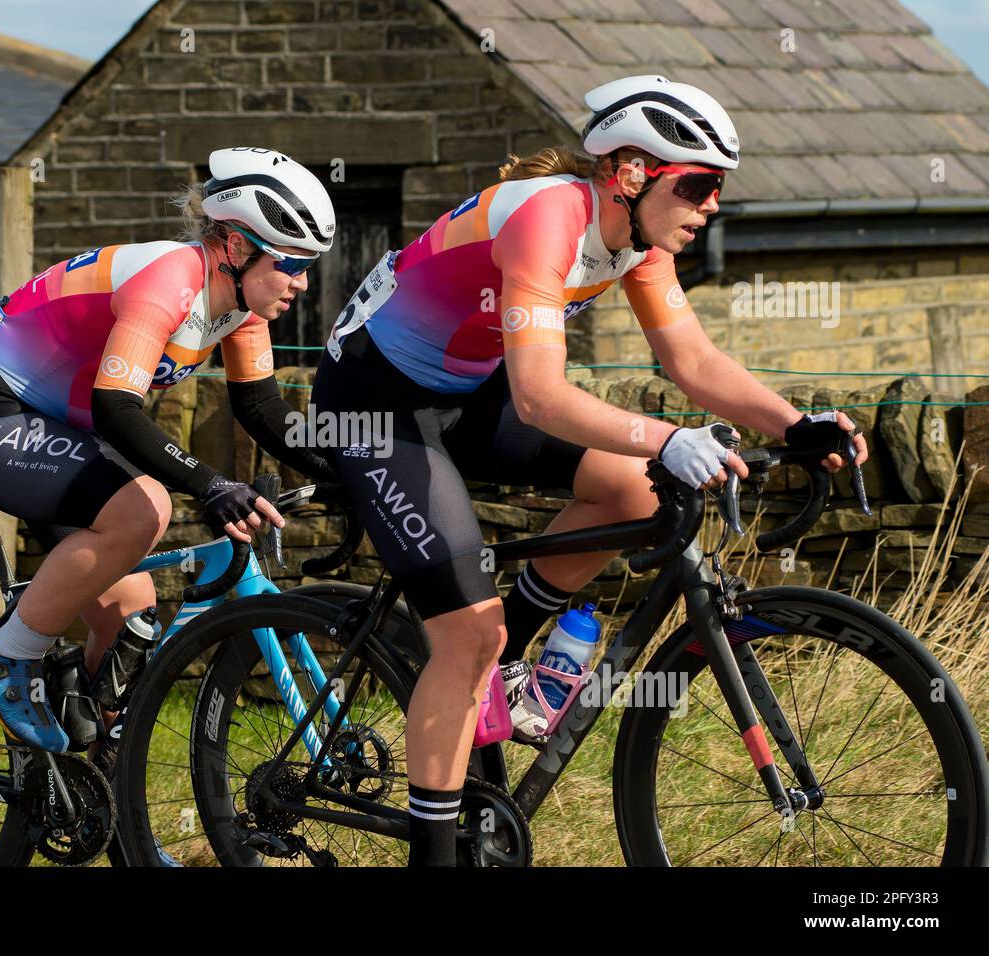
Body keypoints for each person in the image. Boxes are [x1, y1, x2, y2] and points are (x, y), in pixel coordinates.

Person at [311, 75, 869, 866]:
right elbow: (540, 397)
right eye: (701, 184)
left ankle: (511, 655)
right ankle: (436, 851)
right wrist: (667, 437)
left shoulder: (637, 240)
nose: (712, 205)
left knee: (628, 487)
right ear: (631, 172)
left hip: (464, 386)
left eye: (718, 188)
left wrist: (795, 423)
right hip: (375, 399)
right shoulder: (549, 216)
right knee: (468, 636)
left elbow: (691, 358)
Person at [0, 147, 338, 756]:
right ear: (235, 247)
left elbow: (263, 411)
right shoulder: (170, 280)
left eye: (308, 265)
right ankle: (8, 652)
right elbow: (116, 410)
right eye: (291, 263)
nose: (302, 283)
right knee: (143, 509)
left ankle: (92, 780)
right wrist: (210, 485)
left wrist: (350, 474)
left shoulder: (241, 307)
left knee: (133, 615)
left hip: (58, 424)